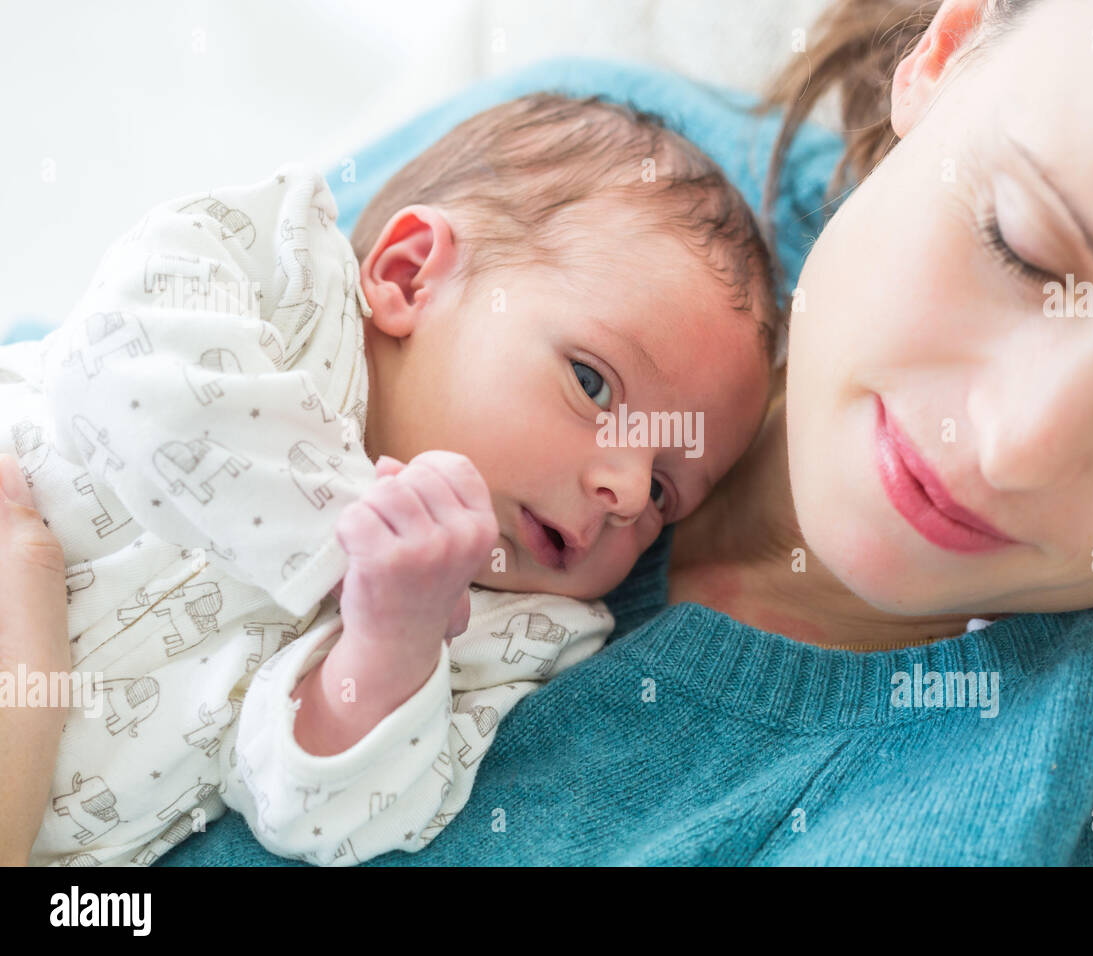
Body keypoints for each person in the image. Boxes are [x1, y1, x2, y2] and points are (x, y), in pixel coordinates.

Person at [13, 0, 1093, 865]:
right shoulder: (592, 183)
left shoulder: (939, 817)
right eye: (1018, 247)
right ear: (947, 51)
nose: (1011, 444)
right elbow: (85, 394)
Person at [0, 93, 777, 866]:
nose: (630, 493)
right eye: (594, 384)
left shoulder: (521, 634)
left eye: (667, 492)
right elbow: (118, 370)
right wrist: (342, 538)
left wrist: (391, 638)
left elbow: (326, 819)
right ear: (410, 277)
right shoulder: (284, 272)